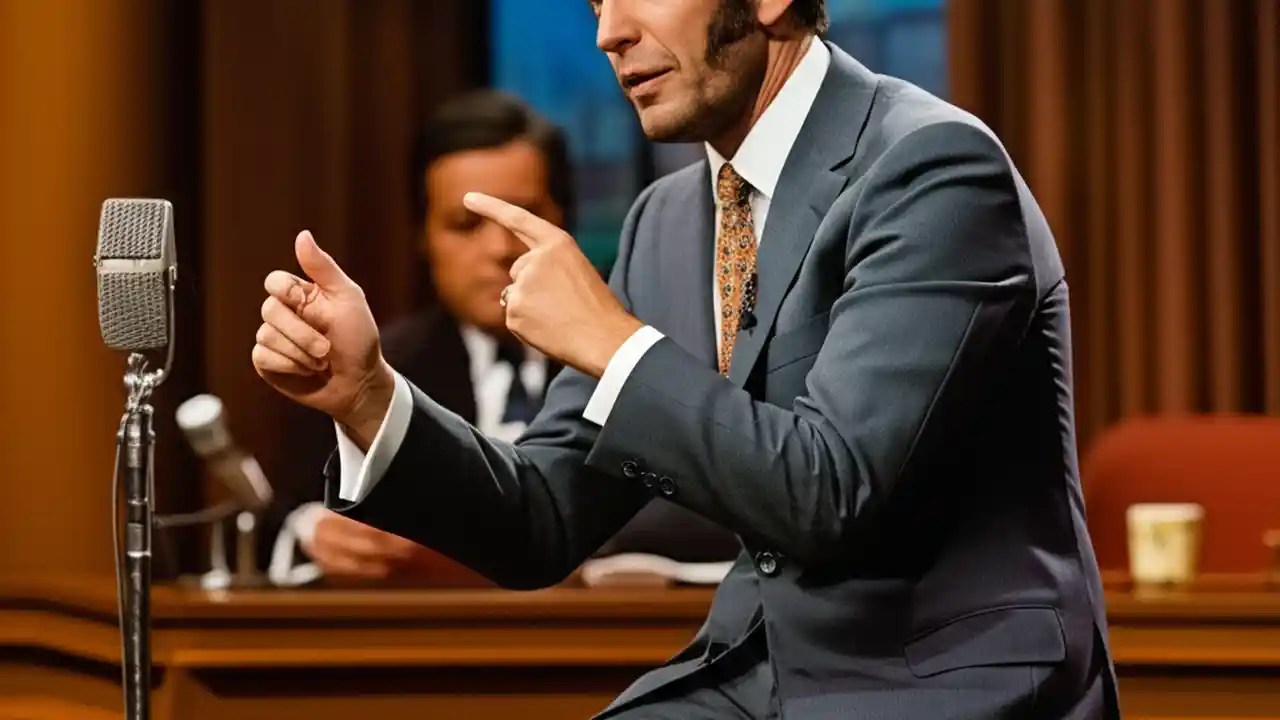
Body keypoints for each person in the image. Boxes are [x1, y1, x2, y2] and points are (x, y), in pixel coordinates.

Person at [251, 0, 1119, 717]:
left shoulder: (933, 167)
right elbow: (542, 521)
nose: (607, 32)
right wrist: (367, 396)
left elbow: (831, 493)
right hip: (759, 681)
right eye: (595, 0)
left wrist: (613, 342)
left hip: (952, 681)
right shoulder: (666, 220)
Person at [265, 90, 738, 586]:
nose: (497, 248)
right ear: (422, 237)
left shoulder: (640, 354)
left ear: (563, 219)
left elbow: (715, 506)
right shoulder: (365, 368)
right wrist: (310, 528)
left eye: (521, 216)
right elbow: (281, 515)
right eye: (466, 225)